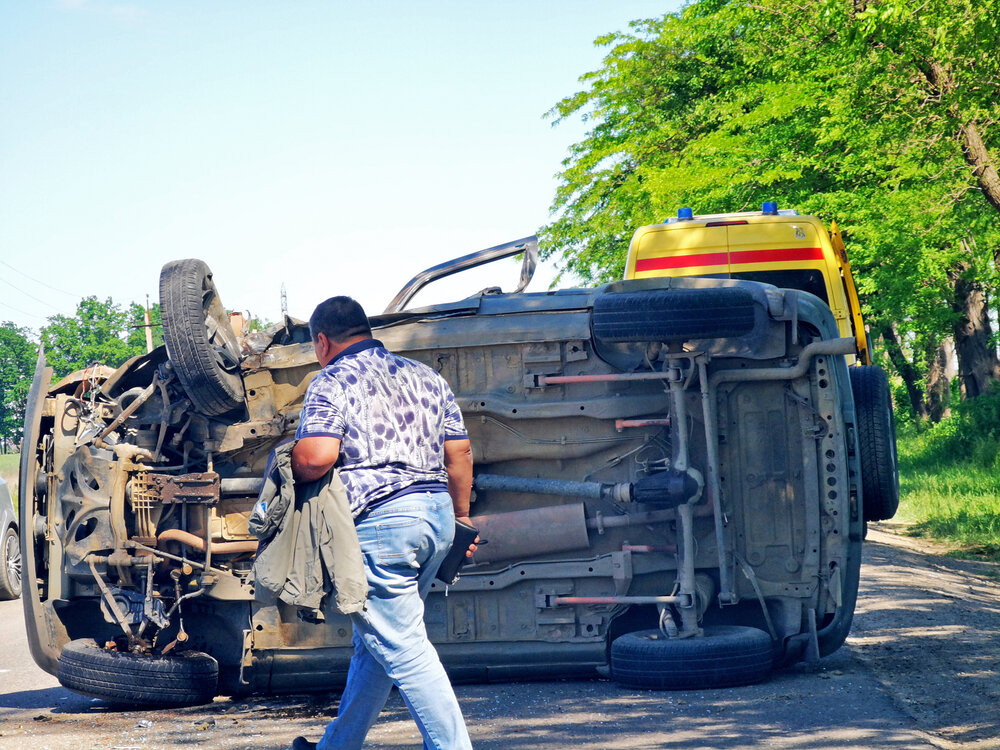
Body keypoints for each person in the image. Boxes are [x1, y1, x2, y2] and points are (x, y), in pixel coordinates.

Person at [290, 296, 476, 750]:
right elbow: (460, 453)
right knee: (376, 644)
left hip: (381, 524)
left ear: (322, 341)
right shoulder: (426, 377)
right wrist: (462, 517)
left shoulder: (332, 380)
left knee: (404, 648)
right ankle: (337, 746)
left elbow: (317, 457)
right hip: (435, 519)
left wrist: (286, 463)